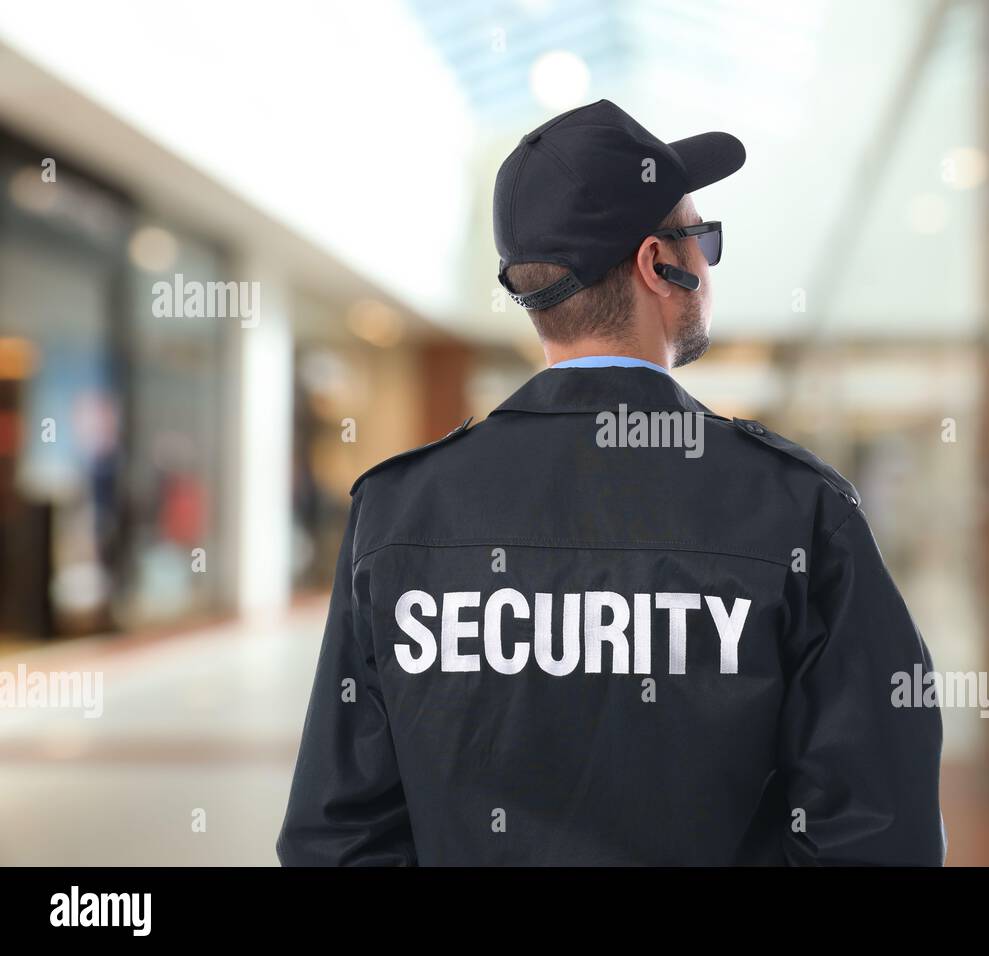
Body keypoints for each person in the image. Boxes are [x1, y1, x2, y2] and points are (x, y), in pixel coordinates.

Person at [277, 99, 945, 866]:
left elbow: (339, 836)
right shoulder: (797, 508)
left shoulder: (398, 509)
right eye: (703, 239)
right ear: (658, 264)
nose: (707, 264)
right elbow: (877, 834)